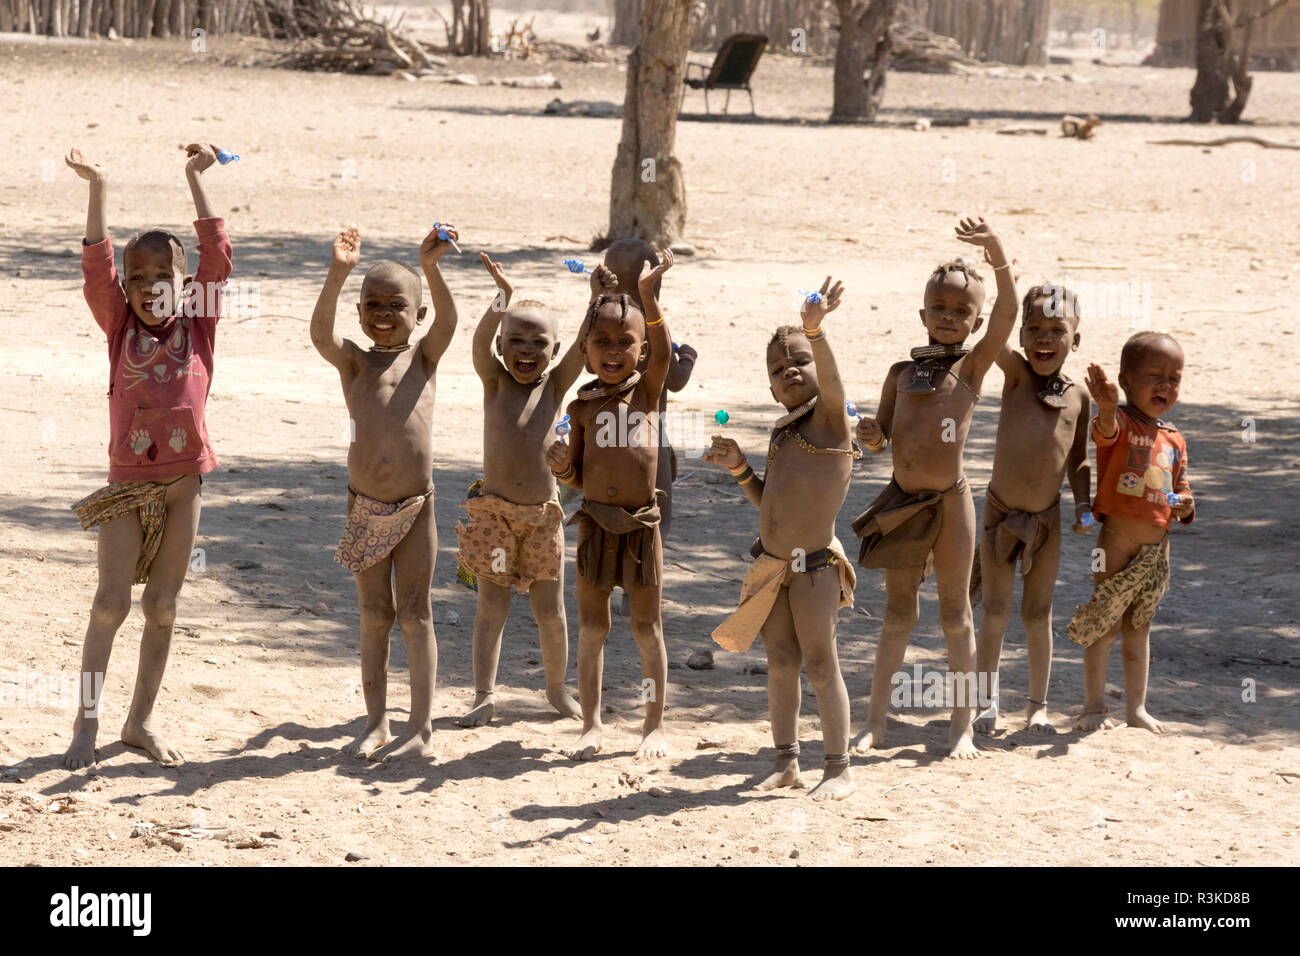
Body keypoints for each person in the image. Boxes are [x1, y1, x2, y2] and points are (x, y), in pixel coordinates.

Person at [62, 143, 232, 769]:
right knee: (110, 603)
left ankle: (139, 723)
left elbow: (218, 255)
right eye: (136, 277)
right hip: (126, 489)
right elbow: (95, 266)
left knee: (162, 608)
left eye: (162, 275)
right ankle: (85, 727)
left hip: (183, 487)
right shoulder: (117, 326)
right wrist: (99, 184)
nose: (147, 286)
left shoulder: (200, 321)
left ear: (183, 281)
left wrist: (195, 179)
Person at [851, 217, 1018, 759]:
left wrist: (995, 252)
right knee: (899, 612)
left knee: (955, 614)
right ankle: (875, 721)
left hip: (951, 502)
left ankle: (961, 726)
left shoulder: (971, 368)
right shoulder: (901, 373)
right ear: (923, 314)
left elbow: (1009, 314)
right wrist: (872, 436)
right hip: (904, 504)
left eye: (961, 312)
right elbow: (881, 438)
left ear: (974, 323)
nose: (949, 318)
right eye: (940, 309)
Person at [706, 279, 860, 800]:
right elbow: (771, 502)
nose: (790, 369)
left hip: (815, 568)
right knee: (781, 664)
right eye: (778, 368)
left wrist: (816, 332)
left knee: (821, 663)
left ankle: (838, 769)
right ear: (772, 390)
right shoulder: (784, 430)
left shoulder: (832, 422)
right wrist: (740, 469)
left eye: (801, 360)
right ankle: (786, 761)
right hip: (774, 569)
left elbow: (834, 381)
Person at [310, 224, 457, 761]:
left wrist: (432, 268)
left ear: (417, 317)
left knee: (416, 612)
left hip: (419, 508)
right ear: (360, 311)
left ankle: (420, 726)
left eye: (398, 304)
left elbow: (451, 321)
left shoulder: (423, 359)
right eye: (373, 303)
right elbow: (320, 335)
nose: (384, 312)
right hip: (366, 507)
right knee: (375, 615)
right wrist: (338, 272)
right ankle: (376, 721)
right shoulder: (354, 361)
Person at [544, 251, 676, 760]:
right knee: (594, 627)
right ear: (585, 348)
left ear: (642, 352)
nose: (614, 350)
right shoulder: (580, 407)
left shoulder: (648, 391)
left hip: (642, 529)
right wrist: (559, 468)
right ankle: (593, 723)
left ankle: (653, 726)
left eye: (626, 342)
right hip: (595, 525)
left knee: (646, 627)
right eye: (602, 341)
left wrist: (647, 296)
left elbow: (665, 353)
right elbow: (577, 476)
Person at [971, 285, 1091, 735]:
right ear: (1021, 336)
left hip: (1047, 520)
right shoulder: (1016, 376)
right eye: (1035, 329)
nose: (1045, 339)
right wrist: (1003, 272)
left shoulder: (1080, 395)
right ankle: (985, 702)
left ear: (1075, 340)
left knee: (1038, 614)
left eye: (1057, 330)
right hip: (999, 516)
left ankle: (1037, 706)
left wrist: (1083, 504)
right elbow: (992, 334)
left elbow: (1078, 459)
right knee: (996, 610)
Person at [1067, 334, 1194, 734]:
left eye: (1174, 378)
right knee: (1105, 624)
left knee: (1139, 630)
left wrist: (1186, 504)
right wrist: (1106, 406)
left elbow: (1182, 486)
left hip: (1157, 551)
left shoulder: (1174, 437)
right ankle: (1093, 706)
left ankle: (1136, 708)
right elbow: (1103, 431)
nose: (1165, 385)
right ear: (1125, 378)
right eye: (1154, 376)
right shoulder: (1118, 421)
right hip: (1114, 545)